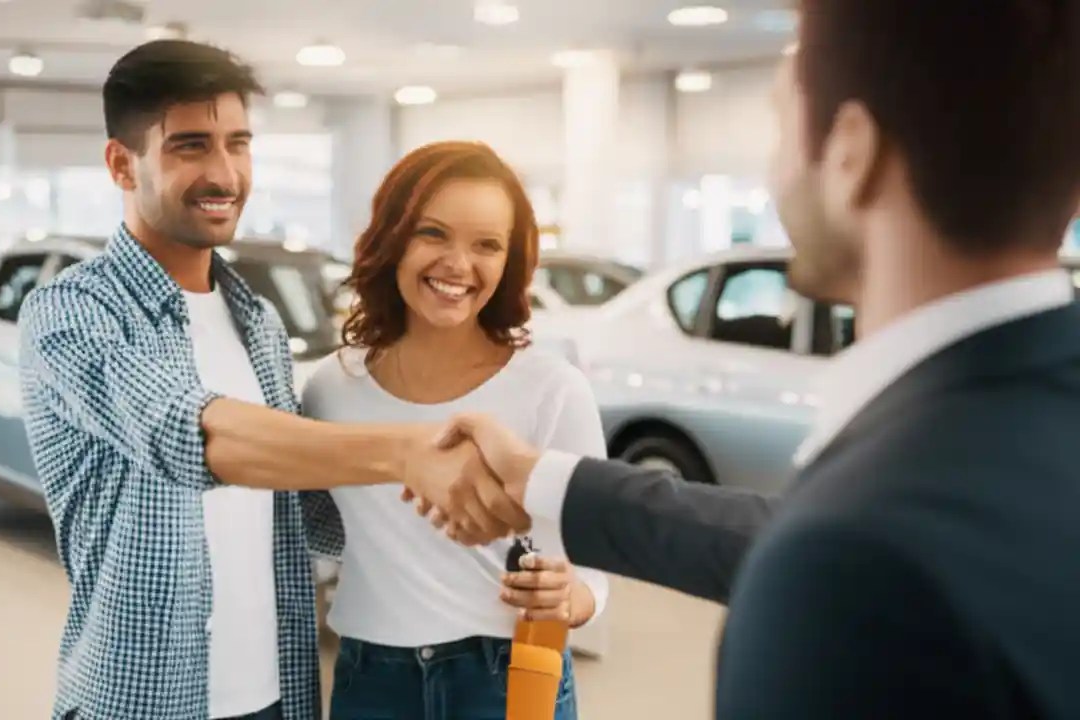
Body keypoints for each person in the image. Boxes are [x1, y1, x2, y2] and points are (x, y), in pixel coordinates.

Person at [421, 1, 1080, 717]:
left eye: (778, 123)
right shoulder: (1016, 432)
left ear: (851, 155)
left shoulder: (855, 566)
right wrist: (541, 479)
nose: (773, 165)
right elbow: (782, 528)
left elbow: (832, 550)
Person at [18, 40, 522, 720]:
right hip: (140, 704)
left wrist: (516, 519)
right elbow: (191, 435)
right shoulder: (72, 312)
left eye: (239, 143)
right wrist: (407, 449)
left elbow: (315, 514)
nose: (225, 173)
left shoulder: (254, 319)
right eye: (191, 146)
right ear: (121, 164)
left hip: (277, 697)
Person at [301, 141, 609, 720]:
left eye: (487, 245)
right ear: (392, 238)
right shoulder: (330, 389)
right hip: (372, 683)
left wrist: (572, 597)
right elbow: (316, 532)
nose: (458, 265)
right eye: (433, 233)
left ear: (509, 261)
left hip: (504, 677)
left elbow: (593, 568)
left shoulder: (551, 387)